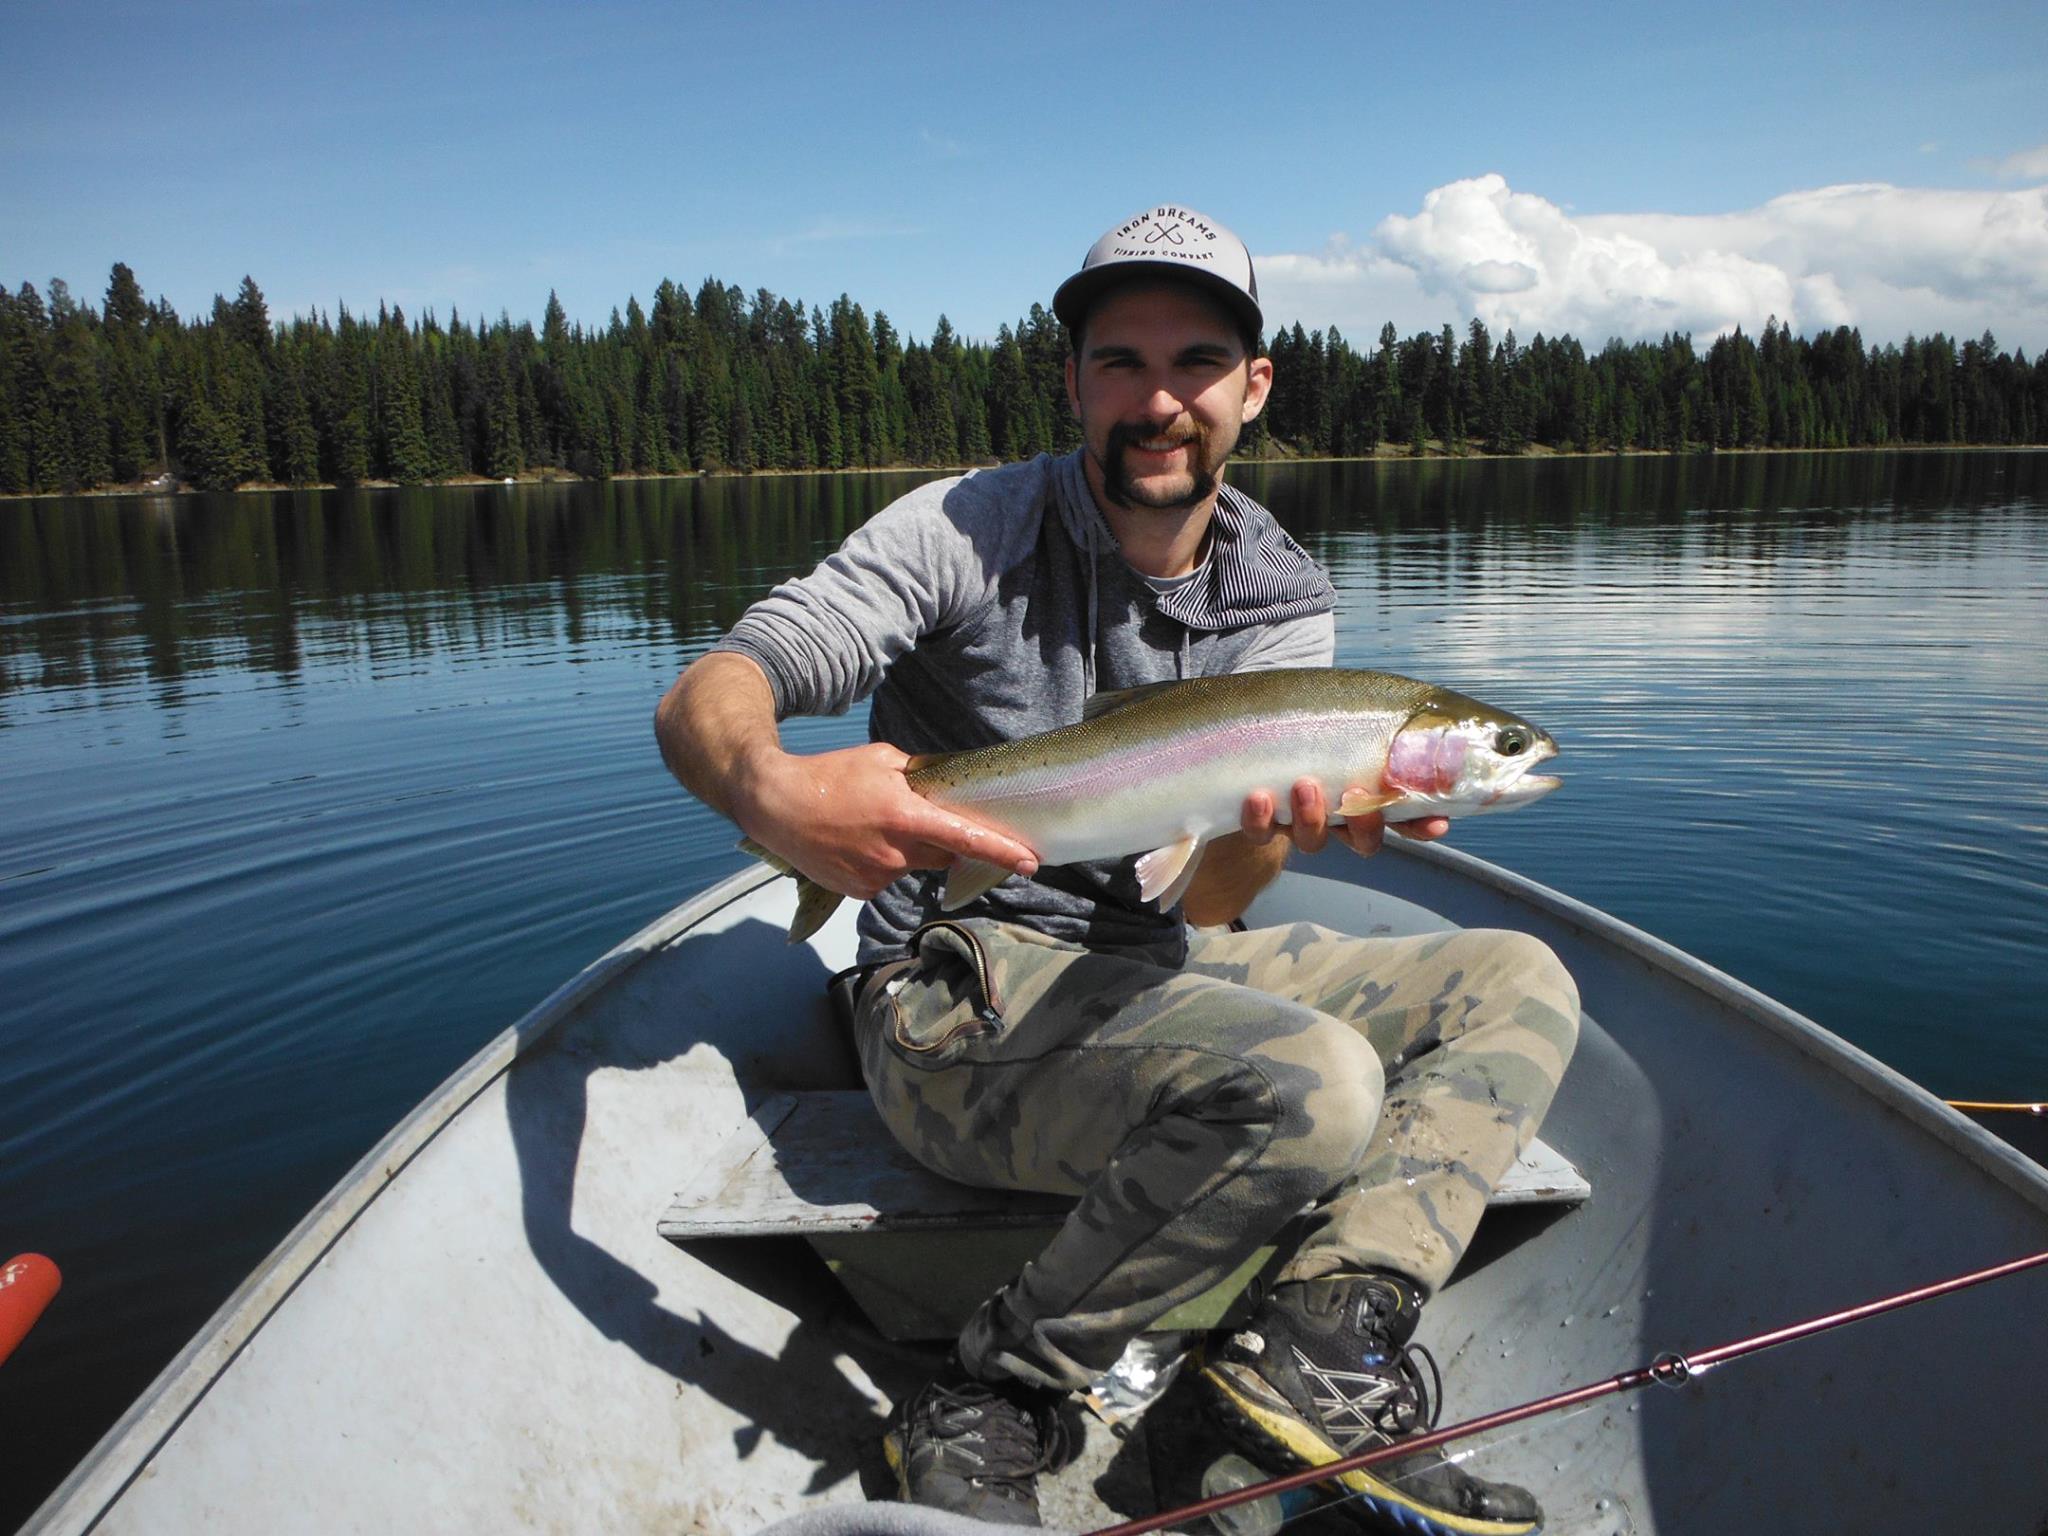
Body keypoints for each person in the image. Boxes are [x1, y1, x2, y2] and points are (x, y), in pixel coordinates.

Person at [654, 204, 1580, 1535]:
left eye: (1197, 361)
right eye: (1120, 362)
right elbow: (723, 680)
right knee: (1315, 1084)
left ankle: (1314, 1346)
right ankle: (996, 1393)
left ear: (1253, 387)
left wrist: (1277, 830)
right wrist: (772, 790)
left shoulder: (1279, 592)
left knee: (1517, 978)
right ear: (1073, 380)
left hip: (1151, 963)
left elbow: (1205, 900)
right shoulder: (960, 530)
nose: (1160, 399)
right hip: (948, 989)